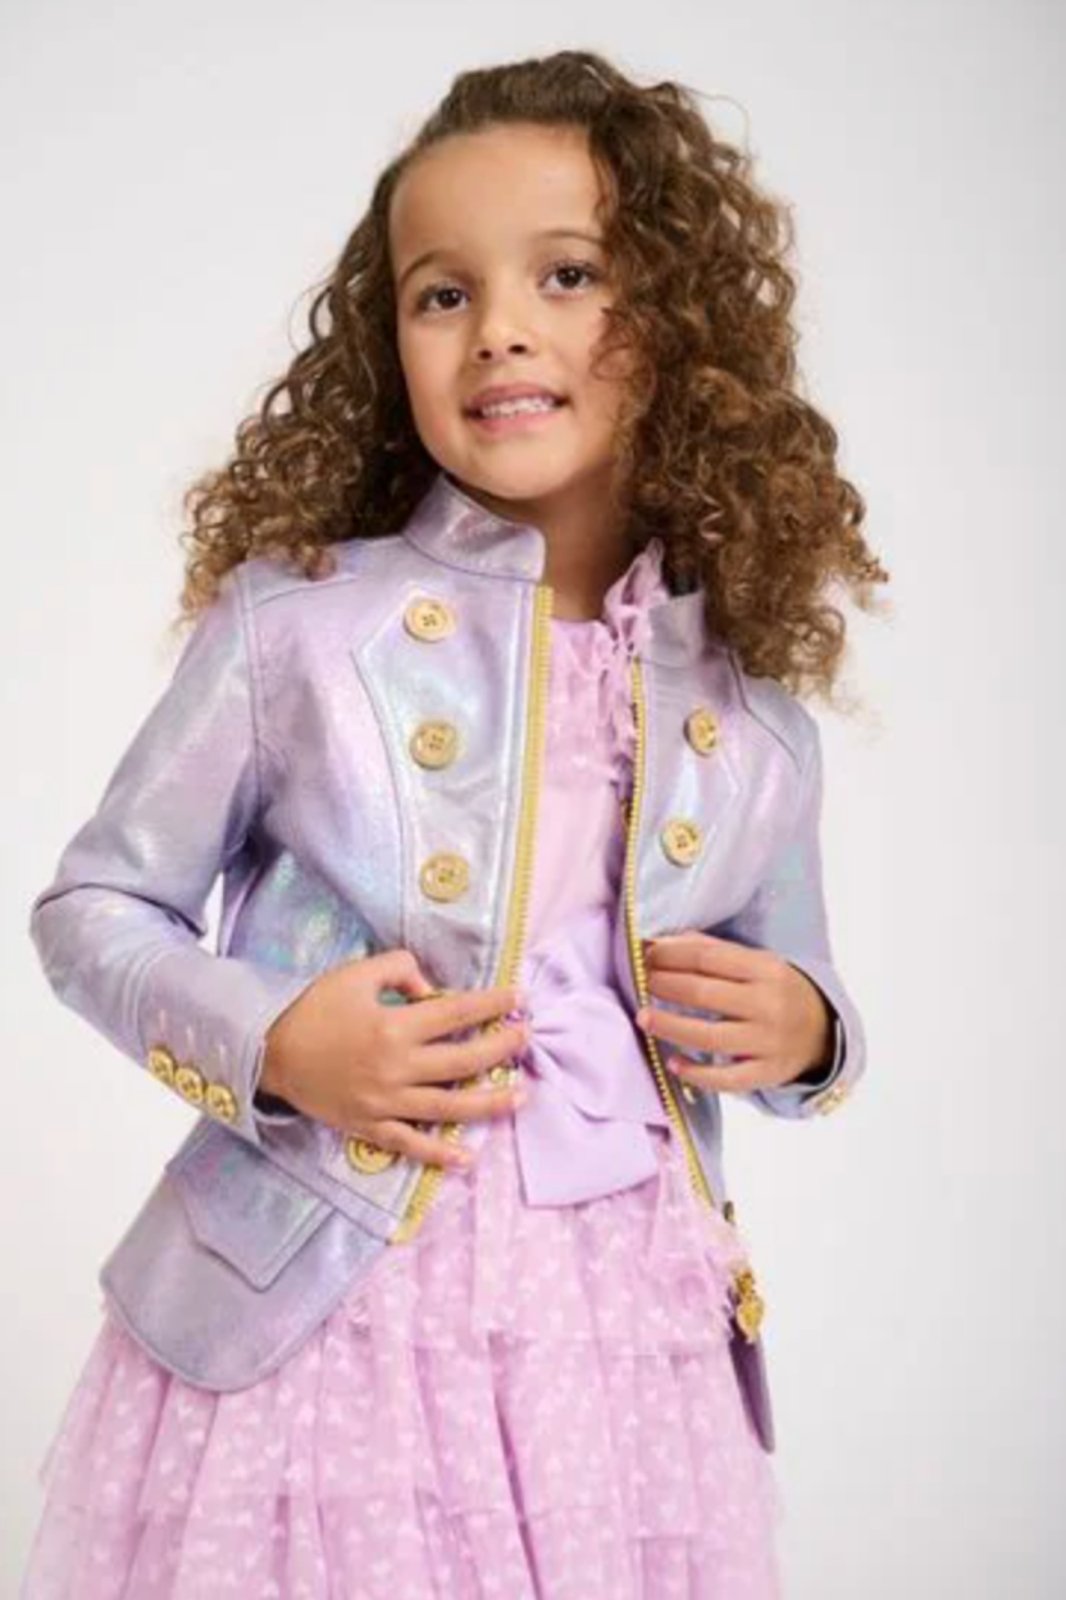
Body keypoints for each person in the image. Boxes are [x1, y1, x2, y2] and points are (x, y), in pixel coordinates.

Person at [19, 47, 888, 1600]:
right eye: (441, 293)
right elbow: (93, 910)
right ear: (390, 344)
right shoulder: (296, 630)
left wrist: (809, 1033)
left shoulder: (750, 718)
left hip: (623, 1334)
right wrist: (275, 1042)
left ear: (681, 323)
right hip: (332, 1304)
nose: (499, 327)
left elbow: (798, 985)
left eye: (568, 274)